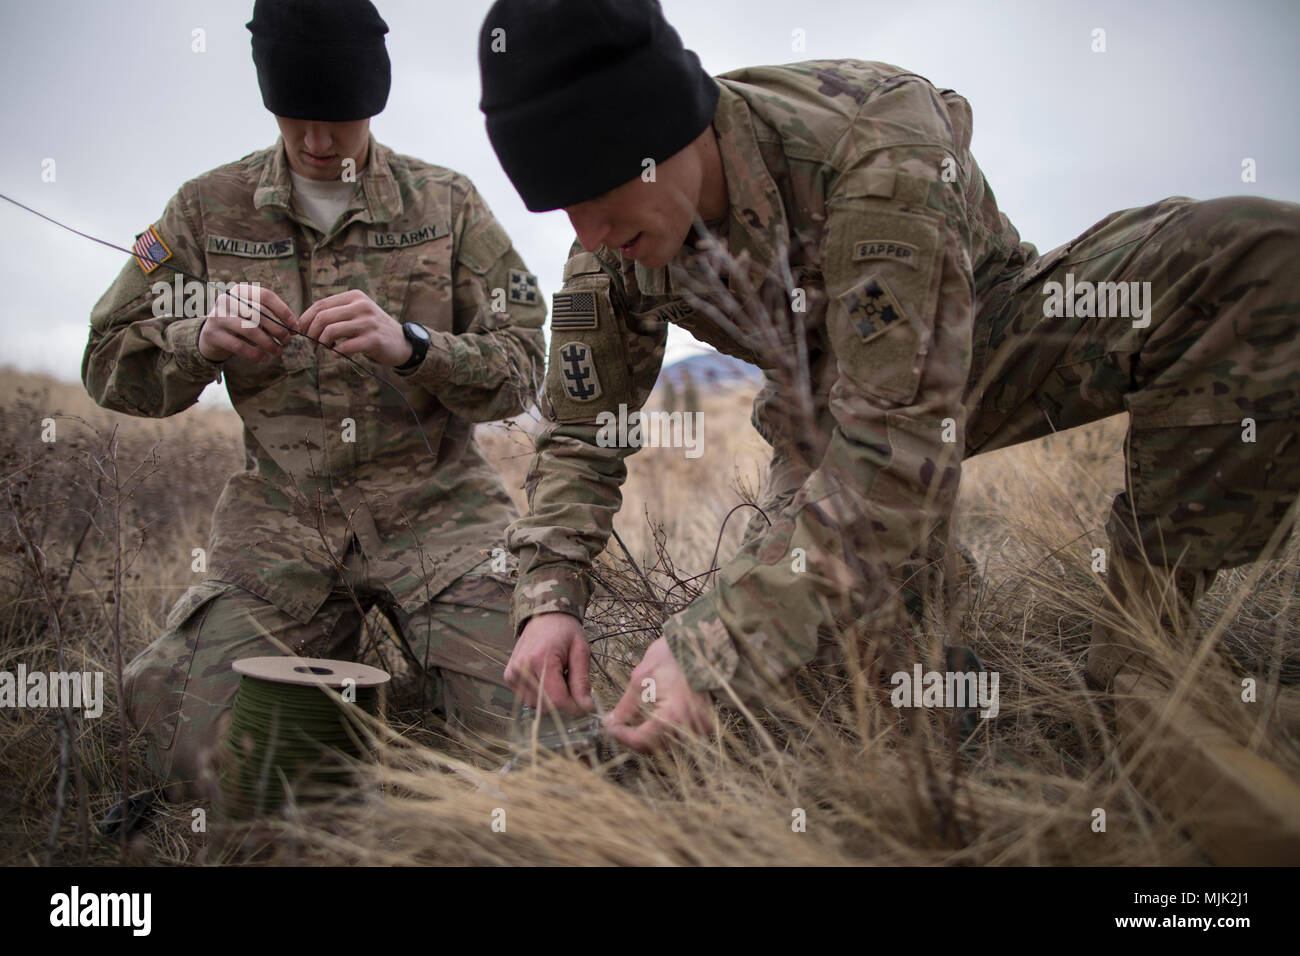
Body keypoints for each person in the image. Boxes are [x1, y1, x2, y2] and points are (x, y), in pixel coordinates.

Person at [478, 0, 1300, 753]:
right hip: (825, 416)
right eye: (561, 207)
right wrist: (550, 600)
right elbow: (584, 434)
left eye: (597, 191)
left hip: (992, 336)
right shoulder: (609, 244)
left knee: (1257, 260)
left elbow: (898, 449)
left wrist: (719, 634)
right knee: (836, 706)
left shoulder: (871, 143)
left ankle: (1141, 635)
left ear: (670, 130)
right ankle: (935, 622)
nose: (587, 230)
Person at [83, 0, 546, 800]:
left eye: (339, 118)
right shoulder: (203, 210)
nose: (319, 141)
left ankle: (416, 729)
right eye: (298, 117)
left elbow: (525, 364)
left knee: (541, 741)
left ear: (374, 99)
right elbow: (104, 361)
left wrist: (418, 347)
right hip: (282, 523)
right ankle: (332, 752)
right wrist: (198, 341)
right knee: (198, 748)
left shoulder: (448, 205)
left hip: (441, 511)